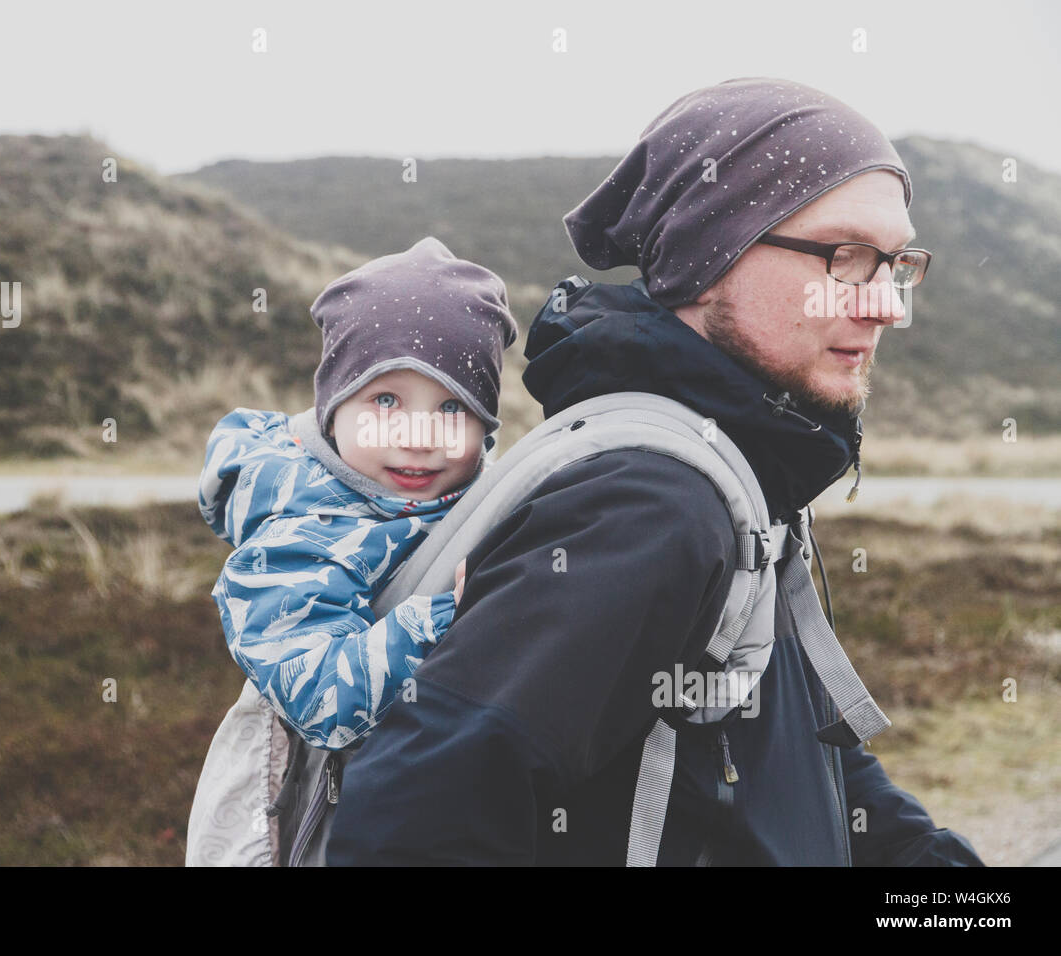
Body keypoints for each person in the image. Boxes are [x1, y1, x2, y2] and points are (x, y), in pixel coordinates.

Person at [326, 78, 984, 865]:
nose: (887, 307)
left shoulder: (741, 474)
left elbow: (802, 771)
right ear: (708, 259)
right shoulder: (657, 503)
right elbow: (415, 820)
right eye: (845, 258)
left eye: (897, 263)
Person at [197, 236, 518, 750]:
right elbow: (320, 697)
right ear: (333, 408)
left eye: (452, 407)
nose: (419, 437)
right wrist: (443, 617)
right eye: (386, 399)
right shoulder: (301, 532)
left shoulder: (489, 495)